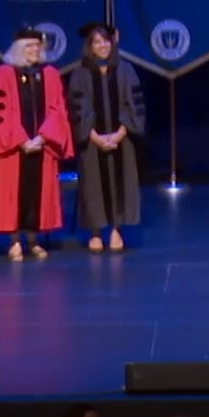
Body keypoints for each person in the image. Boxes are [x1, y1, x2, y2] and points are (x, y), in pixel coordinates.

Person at [0, 27, 72, 261]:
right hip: (13, 149)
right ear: (18, 49)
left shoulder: (51, 73)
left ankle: (33, 241)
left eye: (37, 46)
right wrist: (22, 140)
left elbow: (58, 110)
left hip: (42, 146)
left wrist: (43, 137)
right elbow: (1, 114)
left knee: (39, 194)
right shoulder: (3, 74)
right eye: (29, 46)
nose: (34, 50)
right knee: (12, 195)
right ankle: (14, 242)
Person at [65, 23, 145, 253]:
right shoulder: (80, 73)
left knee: (120, 182)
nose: (102, 46)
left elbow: (135, 106)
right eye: (97, 42)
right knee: (93, 185)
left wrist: (120, 133)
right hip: (92, 141)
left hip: (122, 140)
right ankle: (95, 232)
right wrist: (95, 136)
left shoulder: (125, 69)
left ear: (112, 43)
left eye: (106, 41)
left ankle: (116, 230)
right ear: (90, 46)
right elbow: (76, 109)